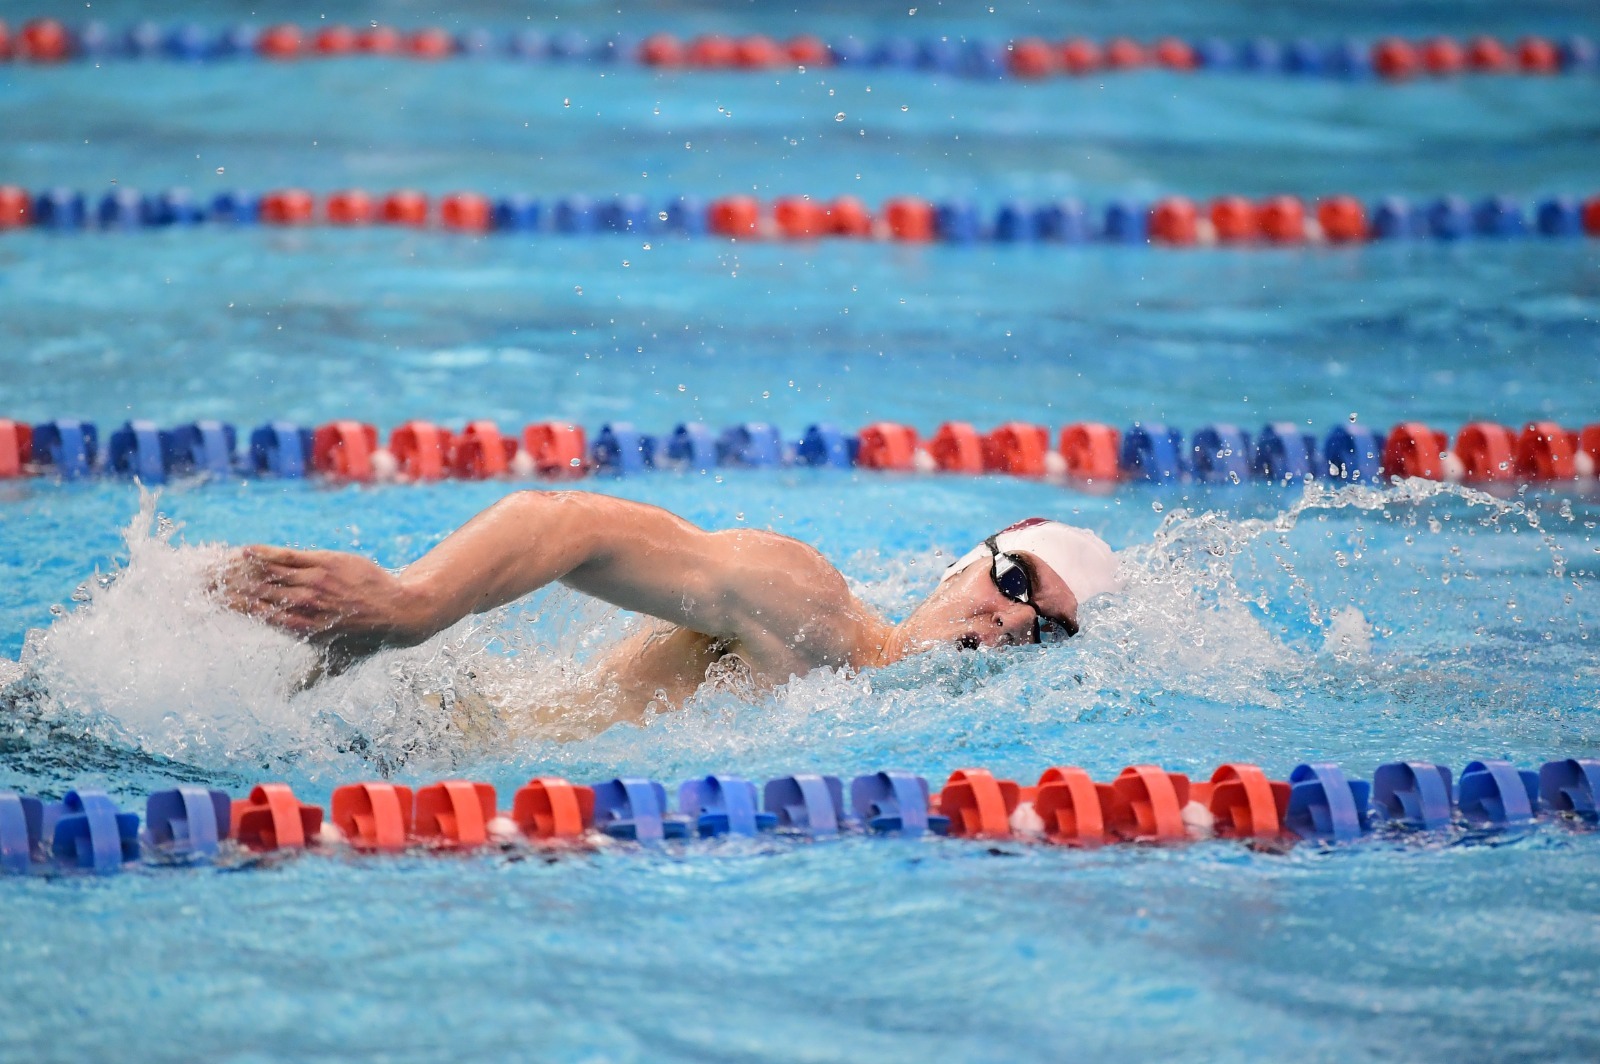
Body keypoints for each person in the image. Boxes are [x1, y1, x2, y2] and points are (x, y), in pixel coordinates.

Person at [220, 491, 1122, 735]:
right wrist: (408, 605)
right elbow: (568, 523)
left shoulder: (882, 725)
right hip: (423, 732)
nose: (1012, 624)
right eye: (1013, 584)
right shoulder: (808, 609)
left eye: (1047, 628)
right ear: (966, 565)